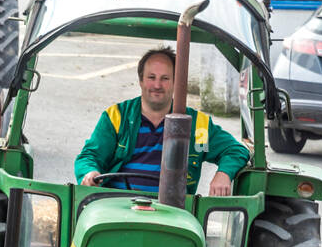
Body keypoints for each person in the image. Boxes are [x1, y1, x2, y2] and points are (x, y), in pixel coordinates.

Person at [74, 47, 251, 196]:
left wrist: (223, 174)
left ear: (176, 82)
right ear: (141, 80)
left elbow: (236, 150)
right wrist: (90, 171)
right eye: (151, 77)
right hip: (116, 205)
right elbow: (89, 156)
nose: (157, 85)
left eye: (165, 78)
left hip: (172, 212)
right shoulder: (116, 118)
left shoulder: (197, 126)